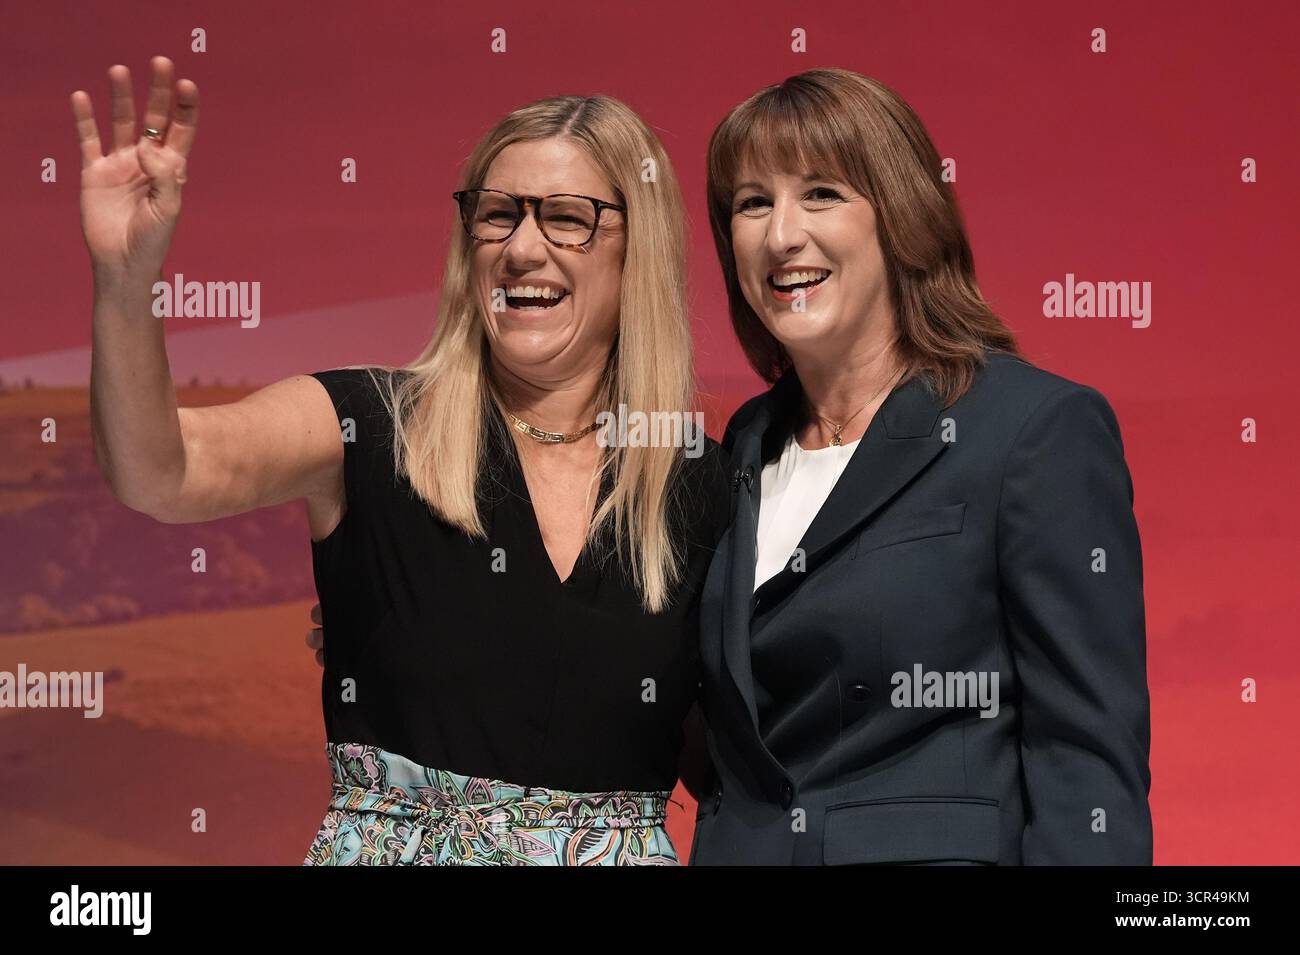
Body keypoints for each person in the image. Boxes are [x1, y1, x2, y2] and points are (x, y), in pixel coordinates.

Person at [75, 55, 729, 866]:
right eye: (497, 214)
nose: (523, 247)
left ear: (640, 248)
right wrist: (125, 282)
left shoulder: (697, 480)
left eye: (567, 216)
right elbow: (159, 469)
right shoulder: (367, 424)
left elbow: (729, 760)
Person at [688, 68, 1153, 865]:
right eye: (752, 202)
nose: (780, 235)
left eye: (822, 193)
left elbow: (1087, 764)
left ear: (901, 216)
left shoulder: (1031, 429)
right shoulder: (737, 448)